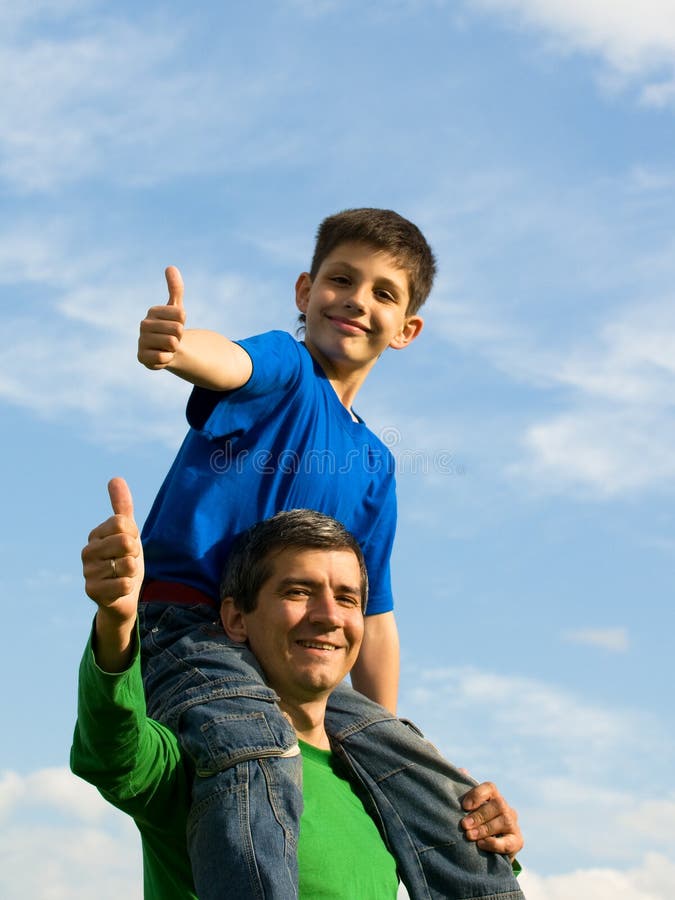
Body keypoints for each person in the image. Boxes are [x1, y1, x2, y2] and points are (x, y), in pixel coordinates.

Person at [134, 208, 515, 898]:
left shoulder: (374, 465)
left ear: (406, 330)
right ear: (305, 290)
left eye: (382, 293)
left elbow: (375, 619)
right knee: (255, 747)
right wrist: (178, 346)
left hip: (294, 660)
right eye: (340, 279)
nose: (356, 301)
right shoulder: (287, 373)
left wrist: (374, 737)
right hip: (189, 633)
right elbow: (230, 360)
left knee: (440, 790)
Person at [73, 479, 525, 900]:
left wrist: (487, 832)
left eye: (347, 598)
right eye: (298, 592)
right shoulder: (204, 755)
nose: (328, 615)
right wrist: (117, 623)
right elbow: (114, 752)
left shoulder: (381, 781)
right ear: (235, 619)